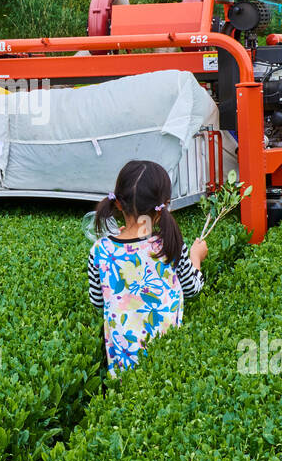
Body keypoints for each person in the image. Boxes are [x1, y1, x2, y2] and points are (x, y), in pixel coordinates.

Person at [87, 159, 207, 377]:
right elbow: (192, 288)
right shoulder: (170, 244)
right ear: (163, 206)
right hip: (167, 357)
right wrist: (196, 258)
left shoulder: (100, 250)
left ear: (119, 203)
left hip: (122, 363)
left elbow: (97, 301)